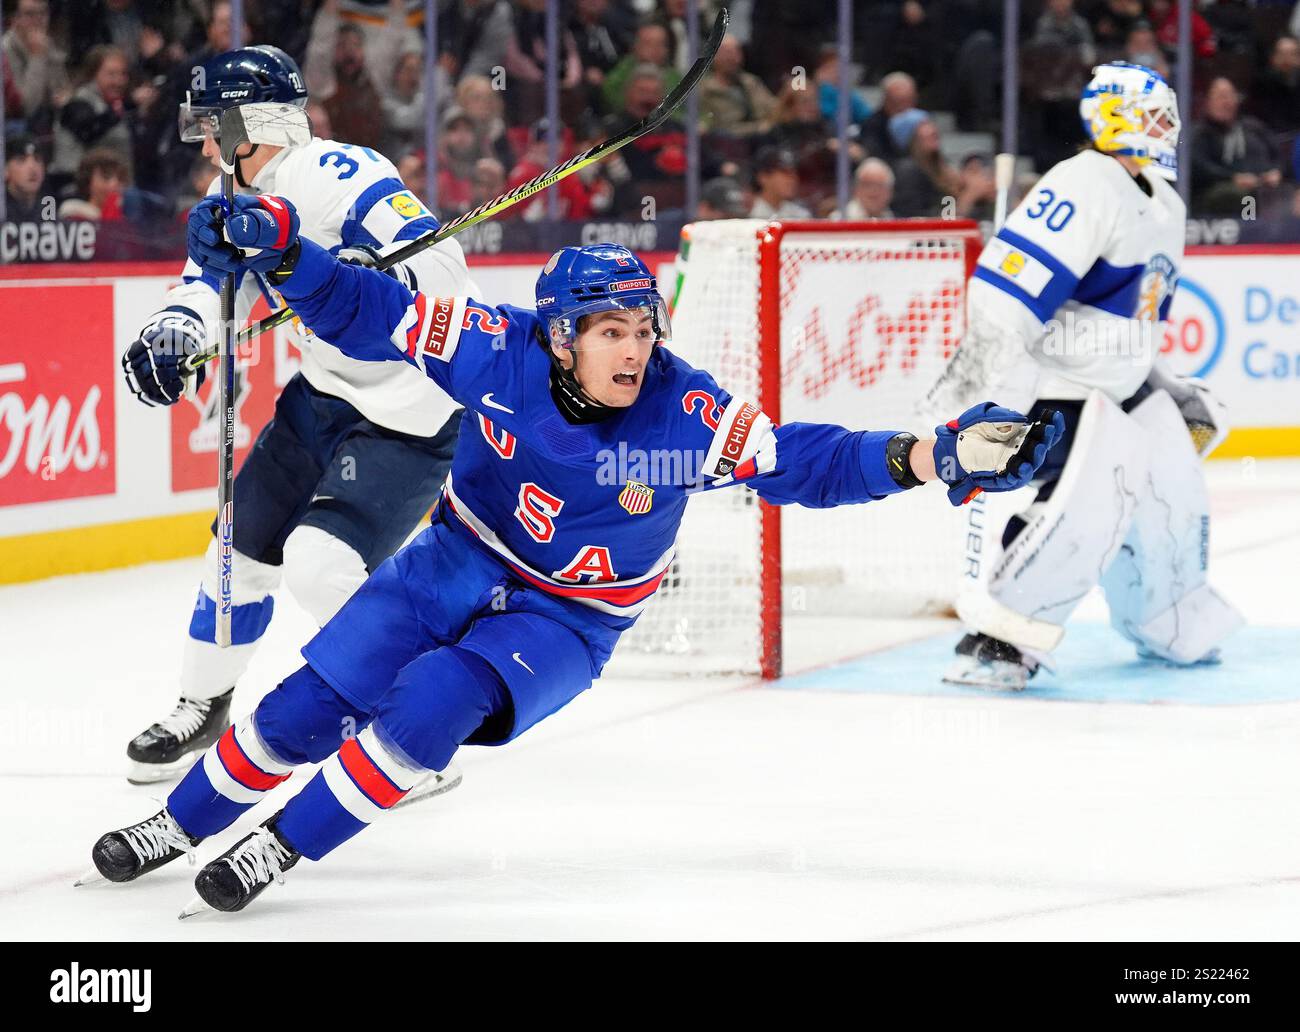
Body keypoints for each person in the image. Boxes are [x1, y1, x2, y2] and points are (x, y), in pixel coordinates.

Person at [87, 205, 1061, 913]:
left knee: (434, 699)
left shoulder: (684, 419)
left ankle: (278, 850)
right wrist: (288, 251)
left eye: (641, 330)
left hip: (566, 618)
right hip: (457, 556)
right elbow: (367, 309)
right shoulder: (492, 351)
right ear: (559, 337)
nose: (633, 349)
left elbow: (809, 462)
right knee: (307, 703)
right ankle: (178, 823)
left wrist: (931, 456)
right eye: (609, 332)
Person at [116, 45, 469, 803]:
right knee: (235, 554)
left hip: (407, 413)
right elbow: (206, 287)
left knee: (320, 566)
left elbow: (444, 275)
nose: (206, 146)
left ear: (253, 123)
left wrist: (348, 271)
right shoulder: (233, 193)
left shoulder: (338, 175)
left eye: (214, 127)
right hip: (323, 397)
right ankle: (203, 704)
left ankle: (414, 729)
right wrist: (171, 337)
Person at [926, 61, 1240, 690]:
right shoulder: (1081, 183)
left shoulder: (1165, 203)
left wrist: (1166, 382)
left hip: (1121, 388)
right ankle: (1000, 638)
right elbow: (1004, 294)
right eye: (1154, 115)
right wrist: (996, 393)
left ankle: (1171, 618)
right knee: (1083, 508)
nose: (1168, 127)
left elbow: (1134, 320)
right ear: (1115, 119)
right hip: (1061, 392)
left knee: (1171, 490)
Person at [748, 146, 810, 219]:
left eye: (794, 173)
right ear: (763, 177)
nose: (793, 179)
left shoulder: (800, 214)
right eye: (785, 172)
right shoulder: (747, 212)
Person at [3, 132, 48, 224]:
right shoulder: (2, 211)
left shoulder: (48, 207)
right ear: (5, 170)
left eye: (37, 159)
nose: (32, 168)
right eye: (21, 160)